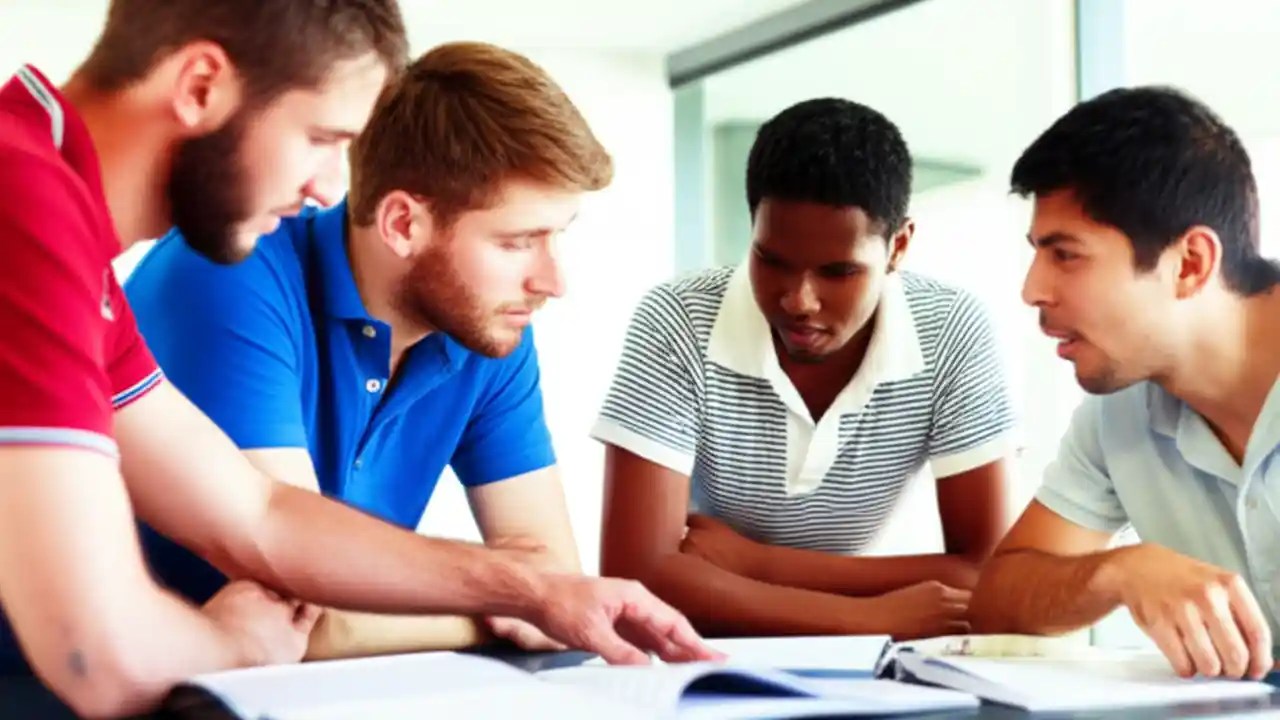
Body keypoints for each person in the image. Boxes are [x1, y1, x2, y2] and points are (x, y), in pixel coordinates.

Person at [0, 2, 714, 716]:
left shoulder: (69, 244)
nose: (324, 187)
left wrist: (536, 590)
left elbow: (259, 515)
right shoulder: (21, 202)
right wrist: (233, 642)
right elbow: (96, 655)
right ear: (200, 86)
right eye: (318, 137)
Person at [125, 41, 606, 660]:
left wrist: (532, 597)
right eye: (517, 242)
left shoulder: (491, 327)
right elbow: (307, 619)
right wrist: (512, 602)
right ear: (403, 224)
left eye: (555, 238)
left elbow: (555, 576)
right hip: (81, 686)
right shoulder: (228, 273)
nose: (552, 282)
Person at [594, 97, 1016, 638]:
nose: (800, 301)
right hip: (705, 653)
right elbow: (638, 576)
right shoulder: (679, 319)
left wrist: (755, 563)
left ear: (899, 247)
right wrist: (870, 617)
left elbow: (993, 574)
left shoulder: (951, 329)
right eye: (772, 261)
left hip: (778, 634)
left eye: (839, 272)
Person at [968, 86, 1280, 682]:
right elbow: (997, 604)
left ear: (1189, 264)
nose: (1031, 290)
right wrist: (1118, 572)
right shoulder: (1122, 410)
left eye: (1066, 255)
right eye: (1037, 252)